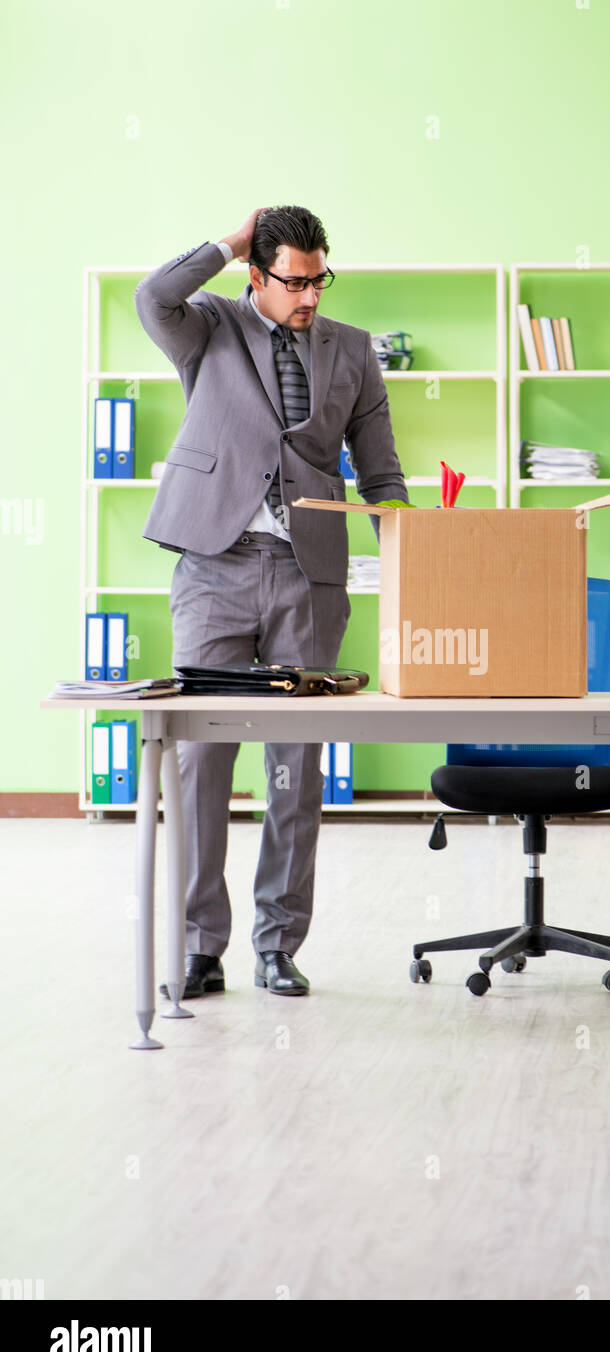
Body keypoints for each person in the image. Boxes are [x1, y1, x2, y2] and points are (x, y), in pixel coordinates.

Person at [134, 205, 409, 997]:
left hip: (308, 571)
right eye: (295, 280)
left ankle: (277, 944)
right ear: (256, 273)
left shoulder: (351, 349)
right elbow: (152, 295)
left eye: (320, 278)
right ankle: (198, 948)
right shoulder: (207, 325)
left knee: (295, 767)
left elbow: (379, 464)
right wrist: (223, 240)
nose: (311, 295)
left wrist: (408, 546)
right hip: (214, 564)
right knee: (201, 763)